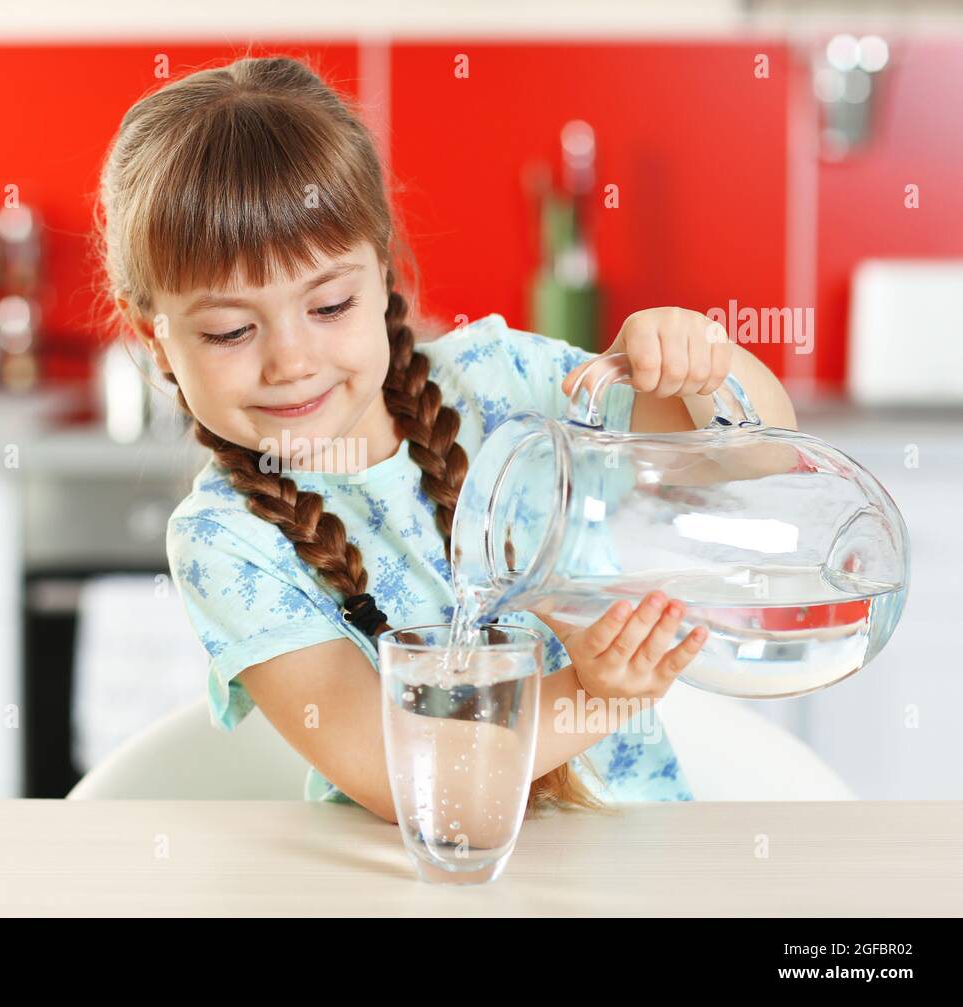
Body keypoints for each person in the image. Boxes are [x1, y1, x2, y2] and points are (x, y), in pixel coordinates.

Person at [94, 54, 799, 823]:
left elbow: (761, 458)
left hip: (637, 867)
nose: (290, 361)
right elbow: (404, 777)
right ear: (156, 341)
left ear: (382, 276)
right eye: (230, 329)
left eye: (328, 306)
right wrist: (593, 695)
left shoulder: (500, 382)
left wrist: (697, 365)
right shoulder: (226, 541)